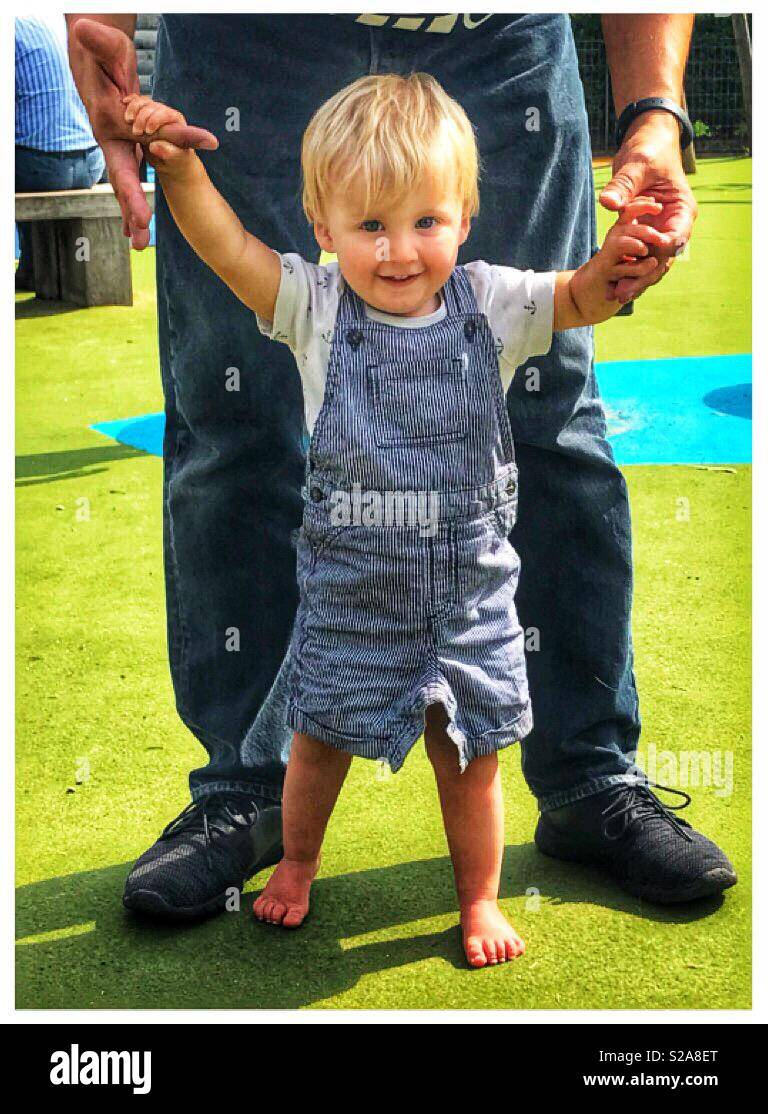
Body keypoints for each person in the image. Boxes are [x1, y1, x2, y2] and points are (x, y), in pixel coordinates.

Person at [65, 14, 737, 922]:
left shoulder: (490, 297)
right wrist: (182, 169)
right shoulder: (313, 302)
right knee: (308, 722)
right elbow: (229, 249)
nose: (396, 251)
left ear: (467, 218)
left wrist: (619, 256)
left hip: (471, 596)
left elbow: (575, 296)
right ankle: (248, 807)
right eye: (370, 226)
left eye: (426, 223)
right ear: (322, 227)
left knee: (554, 434)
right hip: (349, 594)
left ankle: (574, 796)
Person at [15, 14, 106, 291]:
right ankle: (32, 266)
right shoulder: (55, 18)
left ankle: (32, 266)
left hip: (42, 166)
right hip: (91, 161)